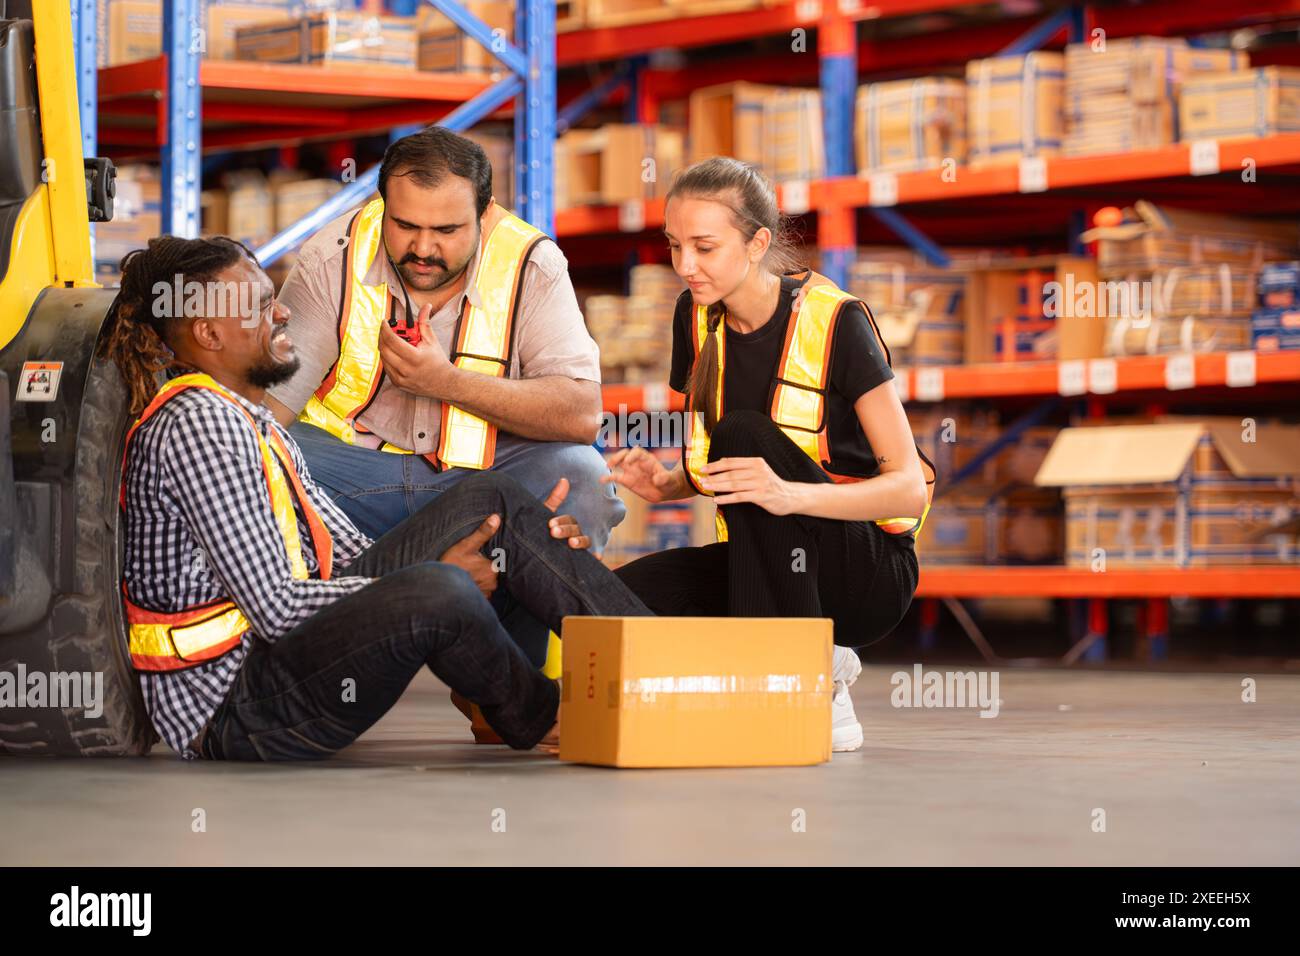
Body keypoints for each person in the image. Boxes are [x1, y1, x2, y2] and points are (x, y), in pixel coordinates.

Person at [98, 236, 651, 761]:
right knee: (440, 589)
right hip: (240, 707)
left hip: (278, 662)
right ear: (210, 334)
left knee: (493, 500)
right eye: (261, 305)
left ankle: (655, 666)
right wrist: (428, 576)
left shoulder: (251, 419)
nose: (282, 313)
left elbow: (349, 552)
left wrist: (493, 547)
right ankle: (551, 715)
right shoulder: (198, 424)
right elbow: (277, 610)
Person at [605, 158, 934, 753]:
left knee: (745, 433)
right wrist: (671, 483)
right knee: (614, 603)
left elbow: (909, 488)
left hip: (864, 573)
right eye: (675, 246)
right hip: (767, 562)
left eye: (705, 247)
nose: (685, 266)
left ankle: (801, 683)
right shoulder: (695, 319)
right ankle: (776, 667)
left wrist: (790, 495)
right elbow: (734, 474)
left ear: (758, 243)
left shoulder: (837, 321)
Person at [264, 125, 621, 671]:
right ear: (383, 206)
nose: (423, 248)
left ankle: (505, 673)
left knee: (582, 479)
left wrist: (445, 382)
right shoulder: (332, 258)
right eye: (405, 225)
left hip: (478, 482)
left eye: (447, 230)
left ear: (485, 214)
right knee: (260, 459)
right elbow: (263, 418)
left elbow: (581, 415)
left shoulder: (531, 265)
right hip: (353, 480)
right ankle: (324, 668)